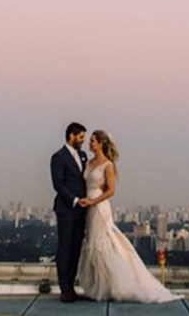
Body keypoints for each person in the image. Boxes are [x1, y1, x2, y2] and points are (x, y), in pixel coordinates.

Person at [76, 130, 180, 303]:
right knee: (92, 242)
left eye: (93, 141)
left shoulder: (107, 165)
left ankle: (109, 286)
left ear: (101, 143)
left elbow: (111, 190)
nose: (90, 143)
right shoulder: (89, 162)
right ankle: (97, 286)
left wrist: (93, 201)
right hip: (88, 207)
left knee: (101, 243)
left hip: (99, 207)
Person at [50, 121, 88, 303]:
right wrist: (74, 200)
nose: (83, 141)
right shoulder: (58, 157)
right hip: (66, 209)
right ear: (71, 136)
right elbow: (58, 184)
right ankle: (65, 288)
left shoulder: (83, 156)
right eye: (81, 137)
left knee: (75, 248)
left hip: (81, 210)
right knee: (65, 248)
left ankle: (71, 286)